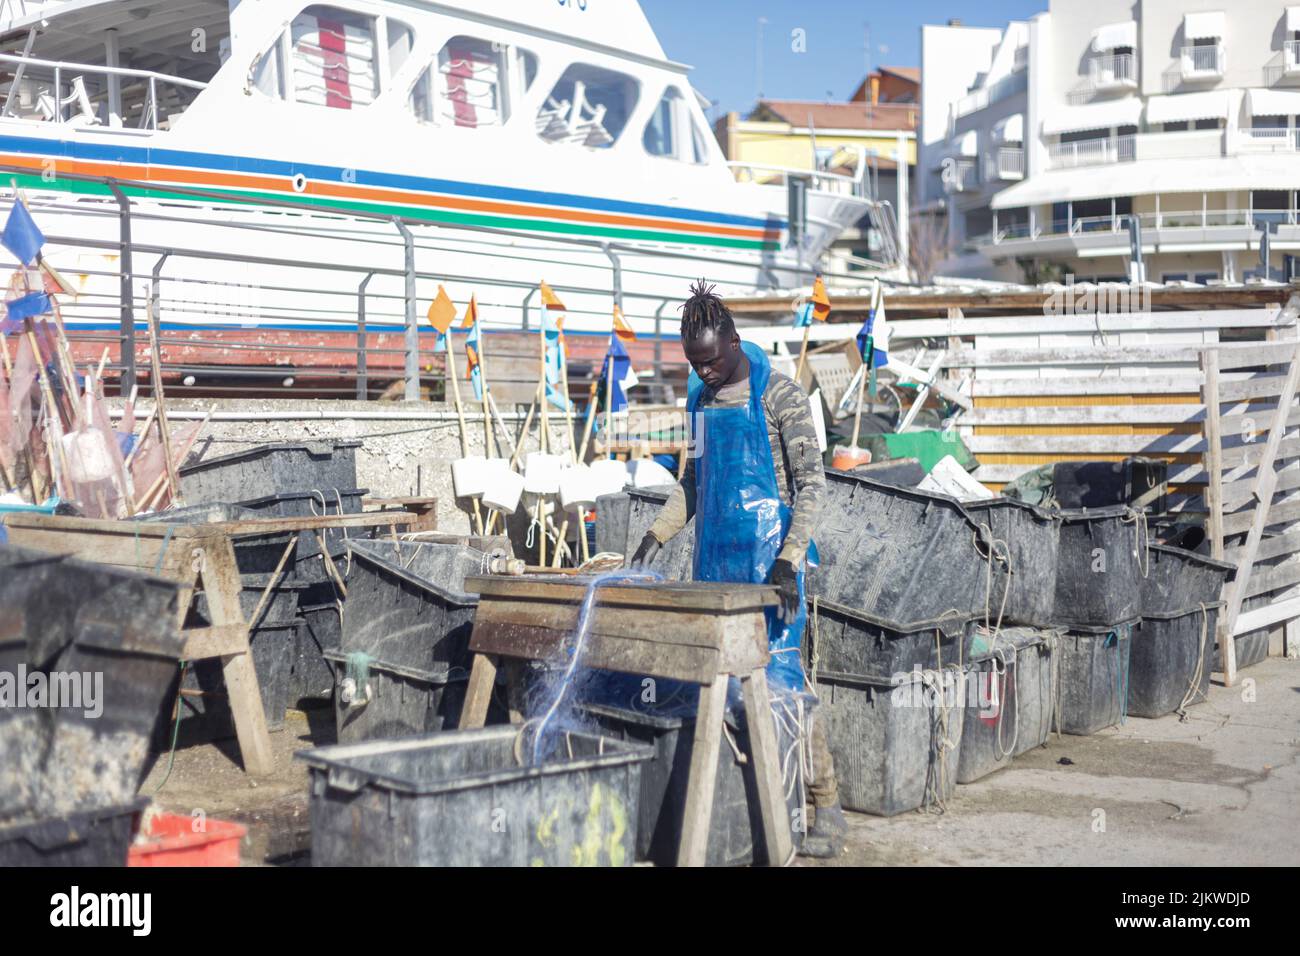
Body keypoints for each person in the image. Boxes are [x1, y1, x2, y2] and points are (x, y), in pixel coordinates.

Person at [631, 279, 845, 859]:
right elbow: (693, 486)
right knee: (716, 689)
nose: (701, 373)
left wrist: (787, 560)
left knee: (783, 685)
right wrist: (656, 533)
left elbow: (812, 488)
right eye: (692, 364)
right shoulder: (699, 402)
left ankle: (824, 802)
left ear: (734, 343)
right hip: (714, 565)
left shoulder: (782, 398)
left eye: (709, 361)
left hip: (771, 566)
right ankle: (742, 805)